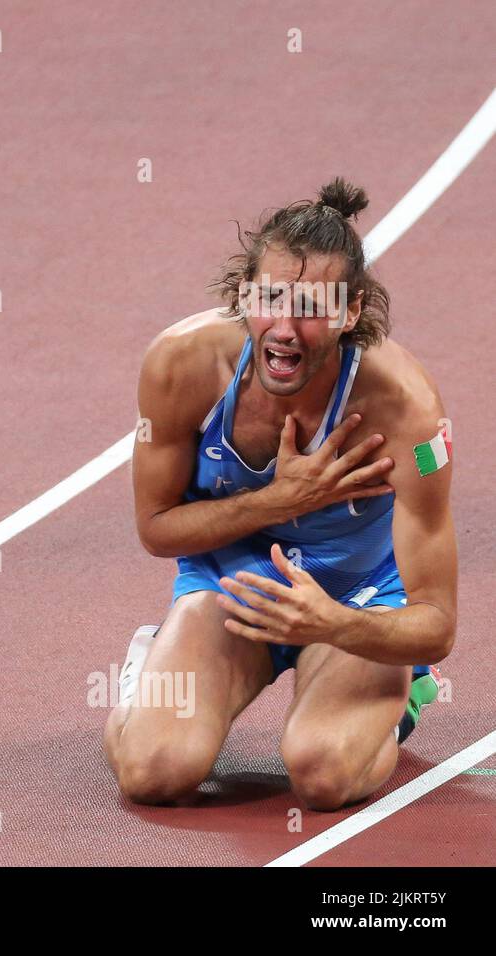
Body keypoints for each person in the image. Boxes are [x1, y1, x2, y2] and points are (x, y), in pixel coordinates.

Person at [104, 178, 456, 810]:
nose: (286, 328)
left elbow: (436, 626)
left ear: (350, 314)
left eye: (312, 306)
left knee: (324, 778)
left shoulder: (406, 412)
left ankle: (401, 695)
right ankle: (151, 663)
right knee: (154, 774)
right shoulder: (180, 366)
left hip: (361, 601)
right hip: (231, 588)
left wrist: (332, 622)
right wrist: (281, 500)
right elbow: (156, 528)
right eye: (270, 297)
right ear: (245, 295)